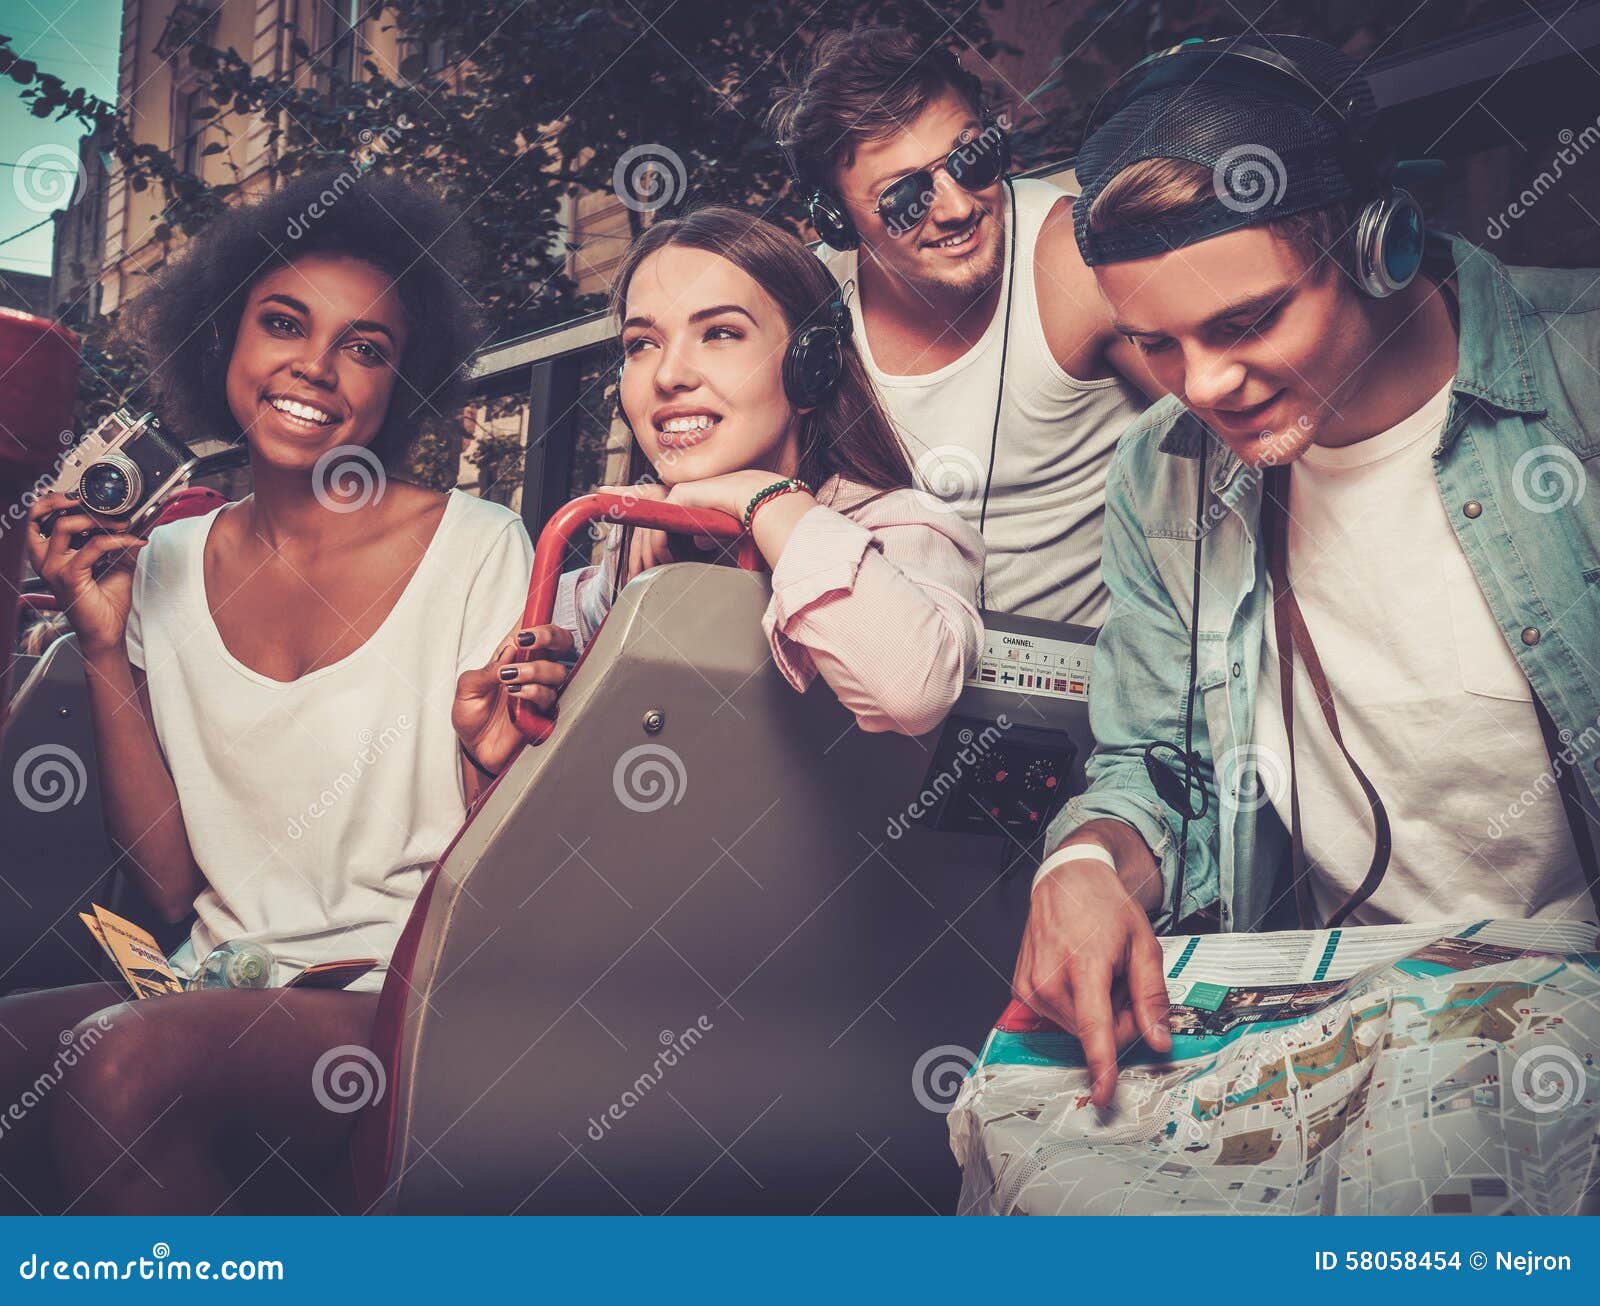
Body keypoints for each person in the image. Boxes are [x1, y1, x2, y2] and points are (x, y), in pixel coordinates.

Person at [1010, 35, 1600, 1108]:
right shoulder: (1160, 471)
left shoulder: (1580, 381)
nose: (1202, 385)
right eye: (1156, 345)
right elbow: (1158, 765)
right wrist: (1082, 867)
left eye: (1246, 322)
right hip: (1362, 1024)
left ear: (1378, 245)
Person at [3, 171, 535, 1214]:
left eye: (366, 347)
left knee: (121, 1064)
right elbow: (165, 888)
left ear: (399, 385)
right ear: (225, 344)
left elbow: (511, 843)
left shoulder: (478, 545)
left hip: (401, 997)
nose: (317, 367)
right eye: (283, 323)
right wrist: (104, 647)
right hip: (213, 984)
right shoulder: (161, 560)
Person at [504, 206, 984, 738]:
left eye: (720, 333)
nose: (667, 375)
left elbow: (911, 691)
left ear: (812, 367)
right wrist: (512, 719)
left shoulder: (905, 527)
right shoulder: (638, 532)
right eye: (642, 344)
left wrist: (766, 498)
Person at [767, 27, 1162, 623]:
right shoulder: (813, 303)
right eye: (904, 198)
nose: (956, 208)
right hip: (895, 674)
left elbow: (1236, 434)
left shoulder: (1074, 265)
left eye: (971, 160)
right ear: (838, 222)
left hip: (1091, 684)